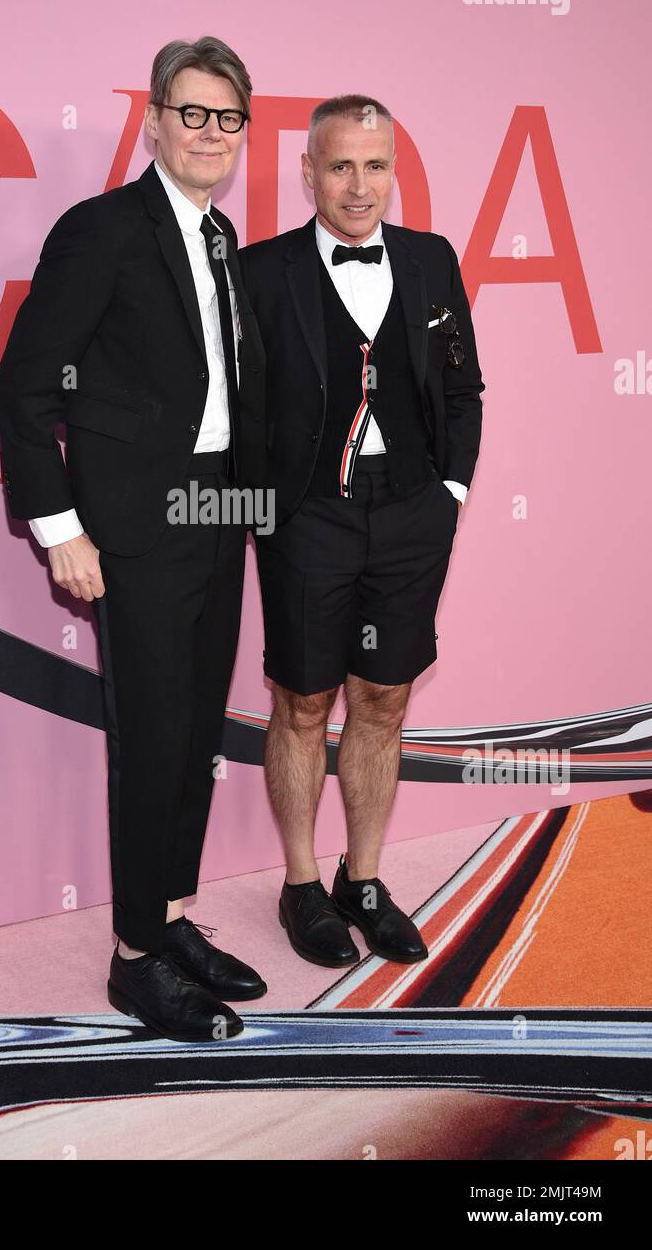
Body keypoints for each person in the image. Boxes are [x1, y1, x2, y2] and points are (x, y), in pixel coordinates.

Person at [0, 36, 267, 1041]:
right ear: (152, 120)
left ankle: (174, 915)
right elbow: (24, 390)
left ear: (242, 130)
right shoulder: (100, 230)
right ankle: (134, 960)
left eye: (225, 117)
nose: (206, 133)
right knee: (150, 740)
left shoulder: (224, 236)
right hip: (132, 527)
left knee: (192, 736)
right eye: (189, 113)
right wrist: (61, 526)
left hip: (217, 515)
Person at [239, 95, 484, 969]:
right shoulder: (260, 272)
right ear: (307, 173)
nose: (357, 185)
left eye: (373, 166)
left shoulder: (429, 260)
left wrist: (449, 488)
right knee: (303, 701)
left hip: (412, 508)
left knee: (383, 698)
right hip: (309, 512)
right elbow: (236, 407)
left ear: (393, 172)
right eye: (338, 165)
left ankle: (364, 880)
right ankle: (301, 884)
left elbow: (462, 386)